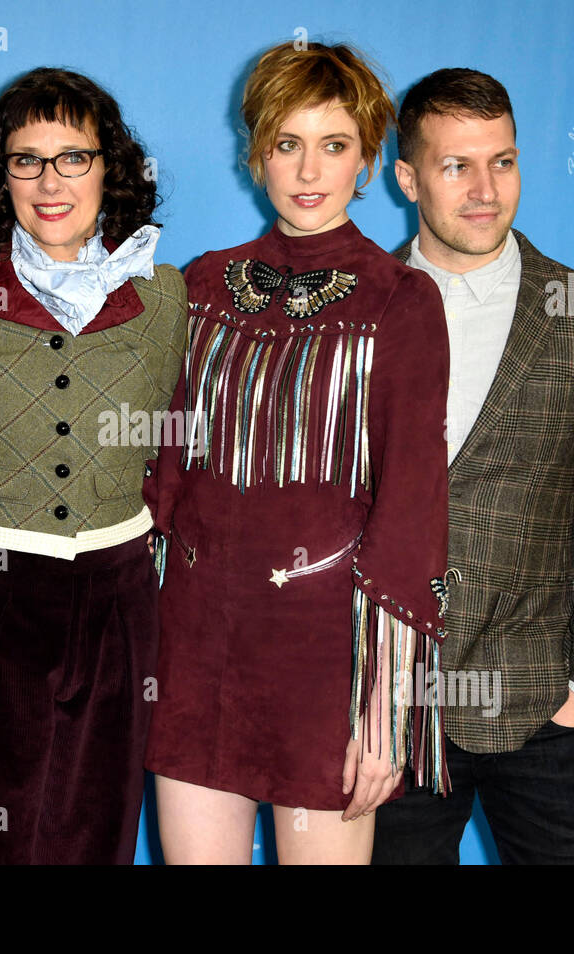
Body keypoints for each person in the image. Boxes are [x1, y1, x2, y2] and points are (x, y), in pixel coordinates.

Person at [144, 42, 450, 864]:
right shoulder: (201, 285)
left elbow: (412, 511)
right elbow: (157, 484)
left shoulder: (402, 302)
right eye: (287, 143)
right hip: (195, 648)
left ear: (370, 161)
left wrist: (388, 708)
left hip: (326, 667)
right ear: (255, 156)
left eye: (334, 144)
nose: (308, 168)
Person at [372, 68, 574, 864]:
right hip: (386, 714)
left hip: (543, 709)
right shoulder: (354, 313)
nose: (484, 190)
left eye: (501, 162)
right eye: (454, 165)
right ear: (406, 178)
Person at [0, 67, 187, 864]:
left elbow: (177, 448)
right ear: (1, 174)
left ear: (110, 170)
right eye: (27, 159)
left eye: (73, 157)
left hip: (120, 597)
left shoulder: (164, 299)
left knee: (94, 831)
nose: (50, 182)